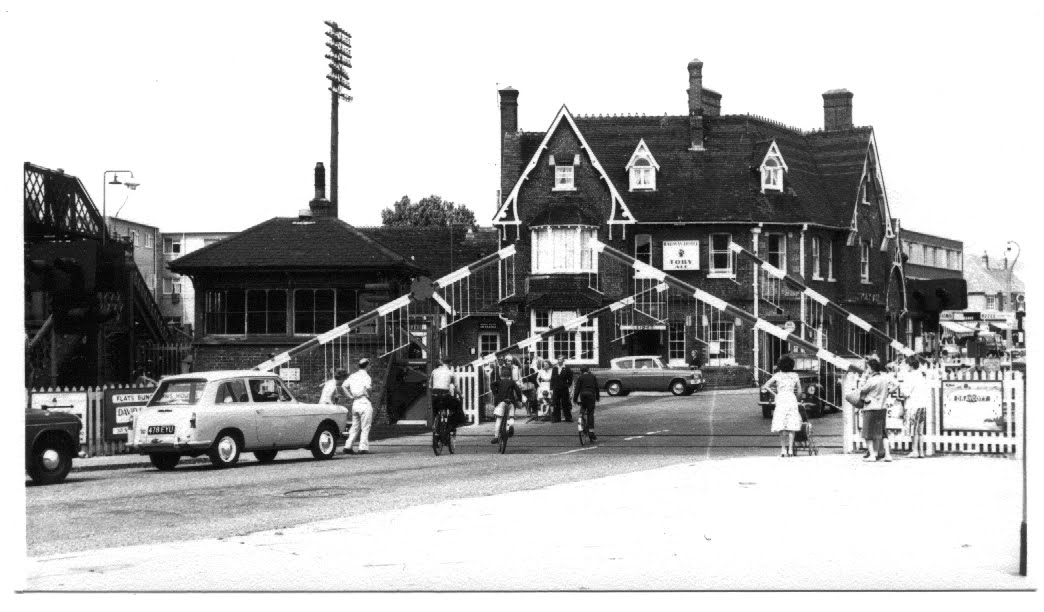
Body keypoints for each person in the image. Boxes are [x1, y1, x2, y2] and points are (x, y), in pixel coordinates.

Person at [761, 355, 803, 457]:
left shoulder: (777, 375)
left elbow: (765, 386)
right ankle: (790, 450)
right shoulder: (795, 375)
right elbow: (800, 391)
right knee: (791, 423)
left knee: (782, 423)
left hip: (781, 399)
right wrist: (797, 399)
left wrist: (774, 394)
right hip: (791, 398)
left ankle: (783, 449)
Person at [859, 358, 893, 462]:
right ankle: (888, 455)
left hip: (870, 407)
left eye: (868, 367)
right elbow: (894, 385)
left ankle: (872, 455)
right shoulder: (884, 379)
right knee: (883, 433)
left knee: (868, 433)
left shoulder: (871, 380)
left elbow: (861, 389)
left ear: (870, 368)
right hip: (882, 407)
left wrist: (863, 378)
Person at [900, 356, 930, 458]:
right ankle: (921, 451)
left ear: (910, 365)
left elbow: (906, 392)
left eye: (906, 364)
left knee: (913, 429)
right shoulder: (921, 375)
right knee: (920, 430)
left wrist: (901, 388)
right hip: (922, 405)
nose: (905, 366)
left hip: (912, 405)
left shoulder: (910, 376)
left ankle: (914, 450)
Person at [343, 358, 374, 455]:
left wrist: (350, 396)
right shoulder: (367, 377)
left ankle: (348, 446)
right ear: (367, 366)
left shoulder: (353, 376)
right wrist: (369, 395)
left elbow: (344, 386)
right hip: (364, 401)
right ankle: (363, 447)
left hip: (355, 402)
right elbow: (368, 388)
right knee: (365, 426)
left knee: (354, 426)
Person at [491, 363, 522, 445]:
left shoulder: (499, 382)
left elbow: (492, 384)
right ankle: (510, 426)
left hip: (501, 402)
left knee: (499, 419)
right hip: (510, 402)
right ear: (509, 376)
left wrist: (495, 393)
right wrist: (520, 399)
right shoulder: (512, 382)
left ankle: (496, 437)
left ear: (501, 376)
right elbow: (518, 391)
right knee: (511, 416)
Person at [430, 357, 461, 433]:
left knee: (435, 410)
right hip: (445, 395)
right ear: (450, 364)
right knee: (456, 405)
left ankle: (435, 422)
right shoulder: (451, 373)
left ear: (442, 363)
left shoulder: (434, 371)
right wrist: (460, 396)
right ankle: (452, 425)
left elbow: (430, 386)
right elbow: (456, 388)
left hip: (435, 395)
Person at [572, 365, 600, 441]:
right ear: (588, 370)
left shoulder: (580, 378)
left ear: (581, 371)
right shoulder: (592, 377)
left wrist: (575, 399)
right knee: (590, 412)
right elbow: (597, 387)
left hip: (583, 395)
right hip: (591, 395)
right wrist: (597, 397)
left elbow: (577, 389)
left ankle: (581, 417)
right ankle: (591, 431)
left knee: (583, 407)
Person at [550, 355, 575, 422]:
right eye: (558, 359)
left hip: (564, 388)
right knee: (556, 403)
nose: (559, 361)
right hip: (556, 388)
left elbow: (570, 379)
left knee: (565, 403)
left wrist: (567, 386)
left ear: (563, 360)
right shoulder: (555, 368)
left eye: (560, 359)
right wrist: (551, 388)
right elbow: (552, 379)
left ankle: (568, 418)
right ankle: (556, 418)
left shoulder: (567, 368)